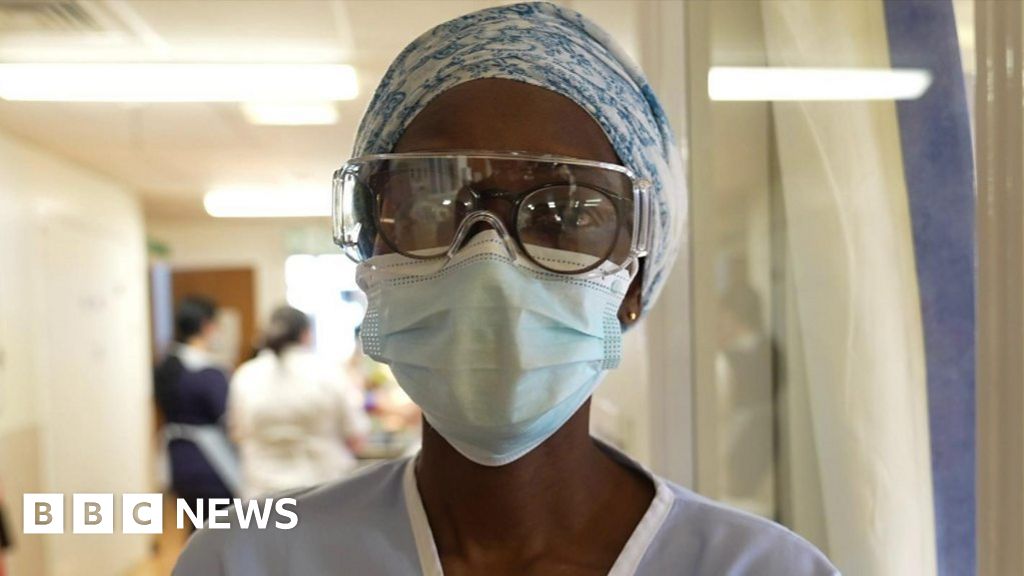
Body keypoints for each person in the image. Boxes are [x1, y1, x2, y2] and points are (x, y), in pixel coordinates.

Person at [175, 3, 838, 574]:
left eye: (566, 214)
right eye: (433, 203)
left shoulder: (764, 568)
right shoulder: (245, 560)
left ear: (634, 278)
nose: (488, 259)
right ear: (373, 255)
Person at [227, 305, 370, 499]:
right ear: (306, 334)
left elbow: (238, 432)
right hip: (322, 488)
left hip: (262, 491)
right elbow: (356, 436)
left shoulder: (246, 375)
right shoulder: (327, 372)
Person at [155, 295, 238, 528]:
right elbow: (228, 418)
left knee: (197, 531)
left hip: (177, 459)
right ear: (207, 326)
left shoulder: (166, 365)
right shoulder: (208, 371)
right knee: (220, 531)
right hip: (210, 461)